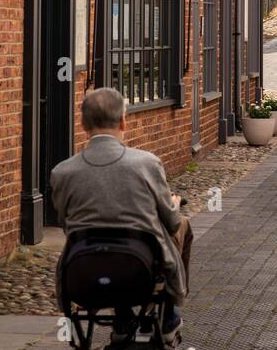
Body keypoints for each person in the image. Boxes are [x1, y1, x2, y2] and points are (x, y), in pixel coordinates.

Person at [50, 87, 192, 335]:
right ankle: (169, 313)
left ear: (83, 124)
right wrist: (174, 204)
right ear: (124, 121)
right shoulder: (146, 163)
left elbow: (65, 221)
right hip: (140, 266)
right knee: (183, 225)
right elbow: (170, 221)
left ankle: (124, 316)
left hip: (84, 268)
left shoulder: (62, 171)